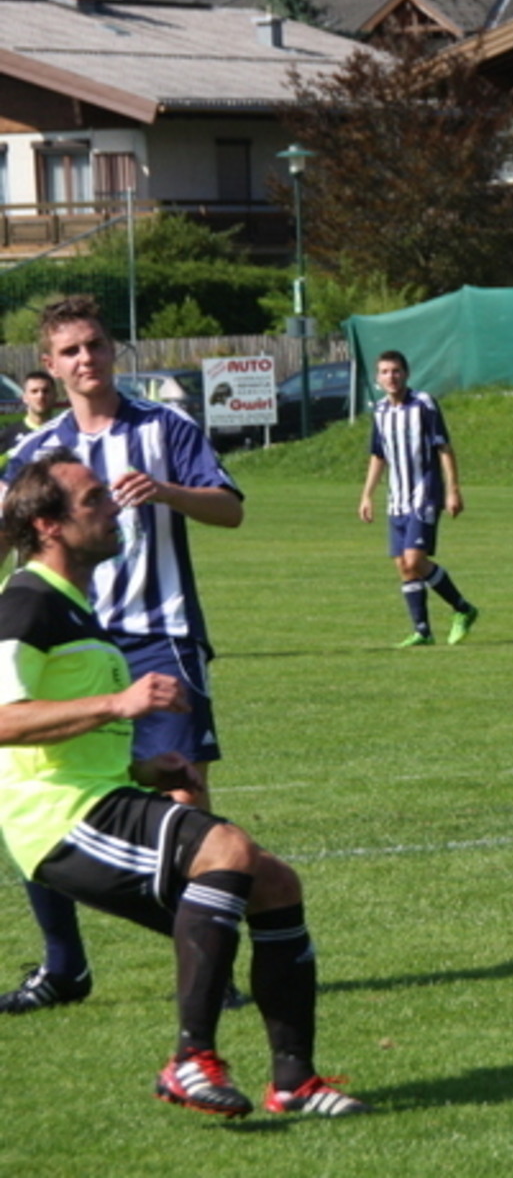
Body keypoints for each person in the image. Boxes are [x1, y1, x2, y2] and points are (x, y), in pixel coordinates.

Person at [0, 452, 364, 1117]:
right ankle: (189, 1059)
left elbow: (72, 737)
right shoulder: (26, 602)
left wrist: (146, 769)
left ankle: (294, 1082)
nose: (114, 507)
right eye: (93, 500)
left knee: (275, 882)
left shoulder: (74, 606)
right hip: (58, 819)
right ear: (49, 525)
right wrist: (120, 703)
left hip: (100, 796)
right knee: (225, 847)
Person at [1, 295, 245, 1016]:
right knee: (39, 795)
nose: (86, 360)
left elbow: (230, 507)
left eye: (96, 345)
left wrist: (165, 490)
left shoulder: (165, 425)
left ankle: (207, 962)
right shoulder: (33, 453)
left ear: (115, 351)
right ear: (46, 366)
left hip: (158, 630)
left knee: (181, 788)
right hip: (67, 638)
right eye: (70, 350)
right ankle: (64, 964)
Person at [358, 351, 479, 649]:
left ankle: (463, 609)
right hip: (396, 496)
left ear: (407, 373)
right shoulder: (381, 410)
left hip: (425, 493)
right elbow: (378, 455)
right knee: (403, 564)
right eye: (385, 372)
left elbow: (444, 449)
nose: (391, 376)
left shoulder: (423, 404)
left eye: (396, 371)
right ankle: (422, 631)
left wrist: (453, 490)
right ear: (377, 378)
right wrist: (367, 495)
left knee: (415, 559)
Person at [0, 369, 60, 452]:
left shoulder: (66, 433)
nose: (40, 396)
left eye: (45, 391)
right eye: (34, 391)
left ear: (55, 396)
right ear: (24, 398)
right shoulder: (7, 436)